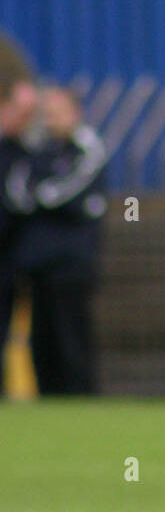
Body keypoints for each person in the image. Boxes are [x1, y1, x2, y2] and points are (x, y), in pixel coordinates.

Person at [0, 82, 108, 396]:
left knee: (71, 339)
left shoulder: (87, 149)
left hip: (72, 265)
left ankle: (82, 399)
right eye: (46, 114)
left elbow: (60, 195)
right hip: (36, 265)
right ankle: (49, 401)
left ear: (75, 114)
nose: (50, 120)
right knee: (41, 340)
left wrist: (42, 197)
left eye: (57, 113)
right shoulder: (37, 150)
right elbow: (17, 193)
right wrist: (40, 198)